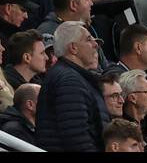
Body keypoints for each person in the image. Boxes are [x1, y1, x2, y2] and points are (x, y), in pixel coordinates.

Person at [35, 20, 108, 152]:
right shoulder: (69, 80)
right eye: (88, 40)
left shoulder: (72, 76)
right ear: (73, 48)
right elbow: (76, 136)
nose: (95, 44)